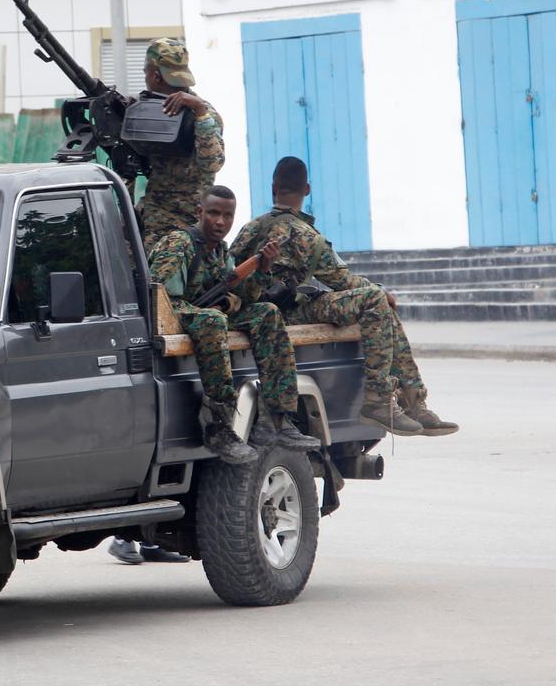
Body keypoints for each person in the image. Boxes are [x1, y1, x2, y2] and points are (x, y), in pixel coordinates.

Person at [230, 157, 458, 437]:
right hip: (289, 313)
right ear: (308, 189)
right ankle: (388, 400)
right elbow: (342, 281)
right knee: (375, 299)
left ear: (273, 187)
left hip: (253, 312)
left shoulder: (248, 229)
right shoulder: (306, 236)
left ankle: (411, 402)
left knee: (376, 299)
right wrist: (382, 292)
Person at [152, 185, 321, 464]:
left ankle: (277, 419)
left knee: (266, 312)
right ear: (199, 212)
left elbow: (244, 297)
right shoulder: (179, 244)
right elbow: (160, 297)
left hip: (205, 315)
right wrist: (210, 309)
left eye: (228, 216)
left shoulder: (221, 251)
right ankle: (218, 424)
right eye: (214, 213)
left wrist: (262, 269)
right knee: (212, 319)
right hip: (178, 314)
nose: (221, 222)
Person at [136, 37, 225, 250]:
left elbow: (213, 163)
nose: (145, 76)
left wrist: (200, 113)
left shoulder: (203, 112)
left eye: (145, 71)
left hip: (186, 230)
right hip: (152, 220)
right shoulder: (148, 109)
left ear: (155, 75)